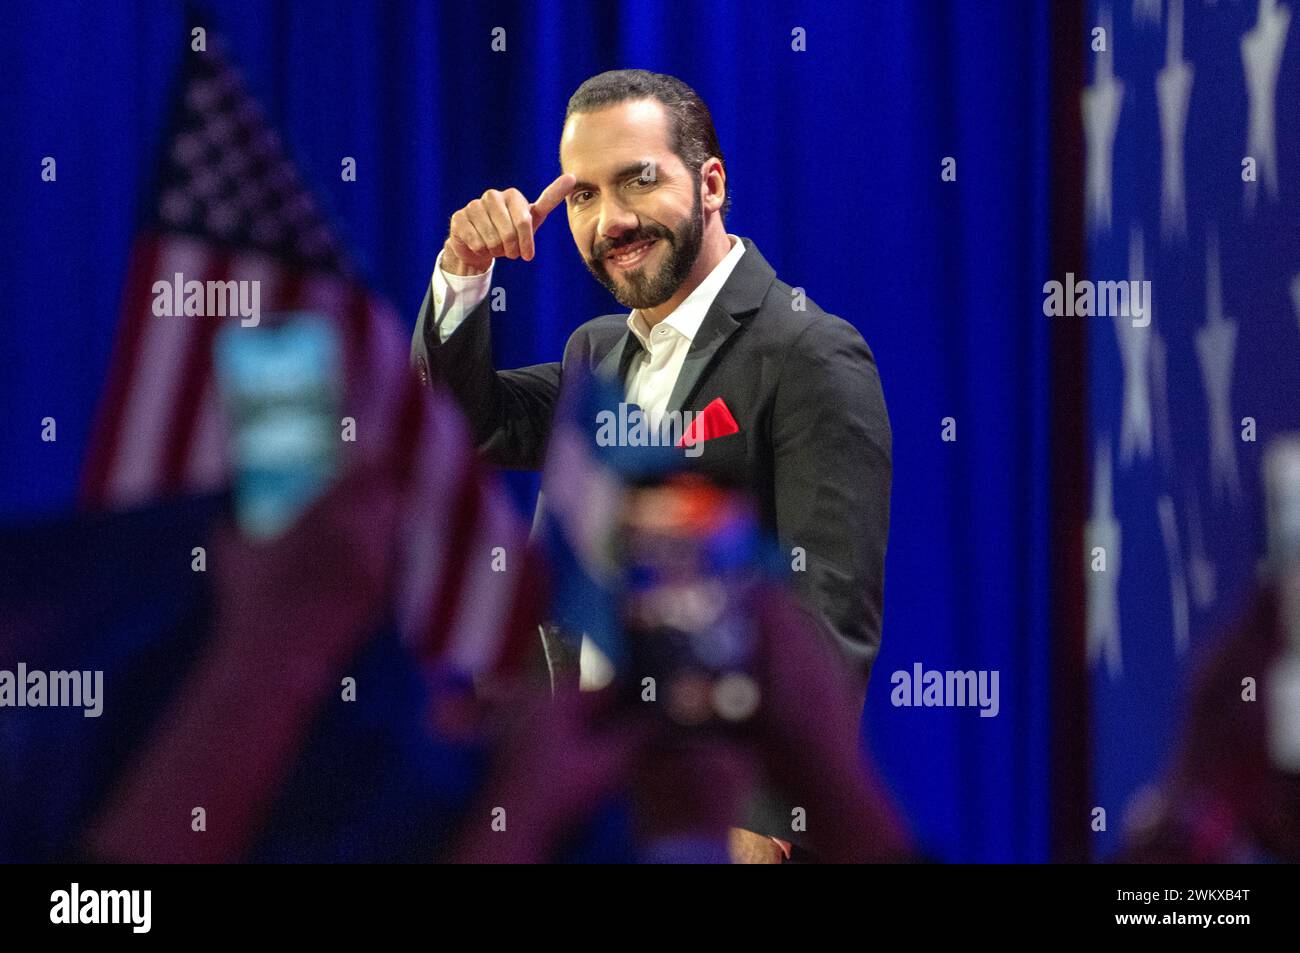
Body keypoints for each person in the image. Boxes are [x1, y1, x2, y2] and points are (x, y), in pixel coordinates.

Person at [410, 69, 892, 706]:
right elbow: (461, 426)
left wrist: (750, 809)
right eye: (584, 195)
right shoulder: (596, 352)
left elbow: (824, 638)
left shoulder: (810, 353)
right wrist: (464, 271)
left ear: (710, 184)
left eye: (639, 179)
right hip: (580, 787)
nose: (612, 220)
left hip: (704, 796)